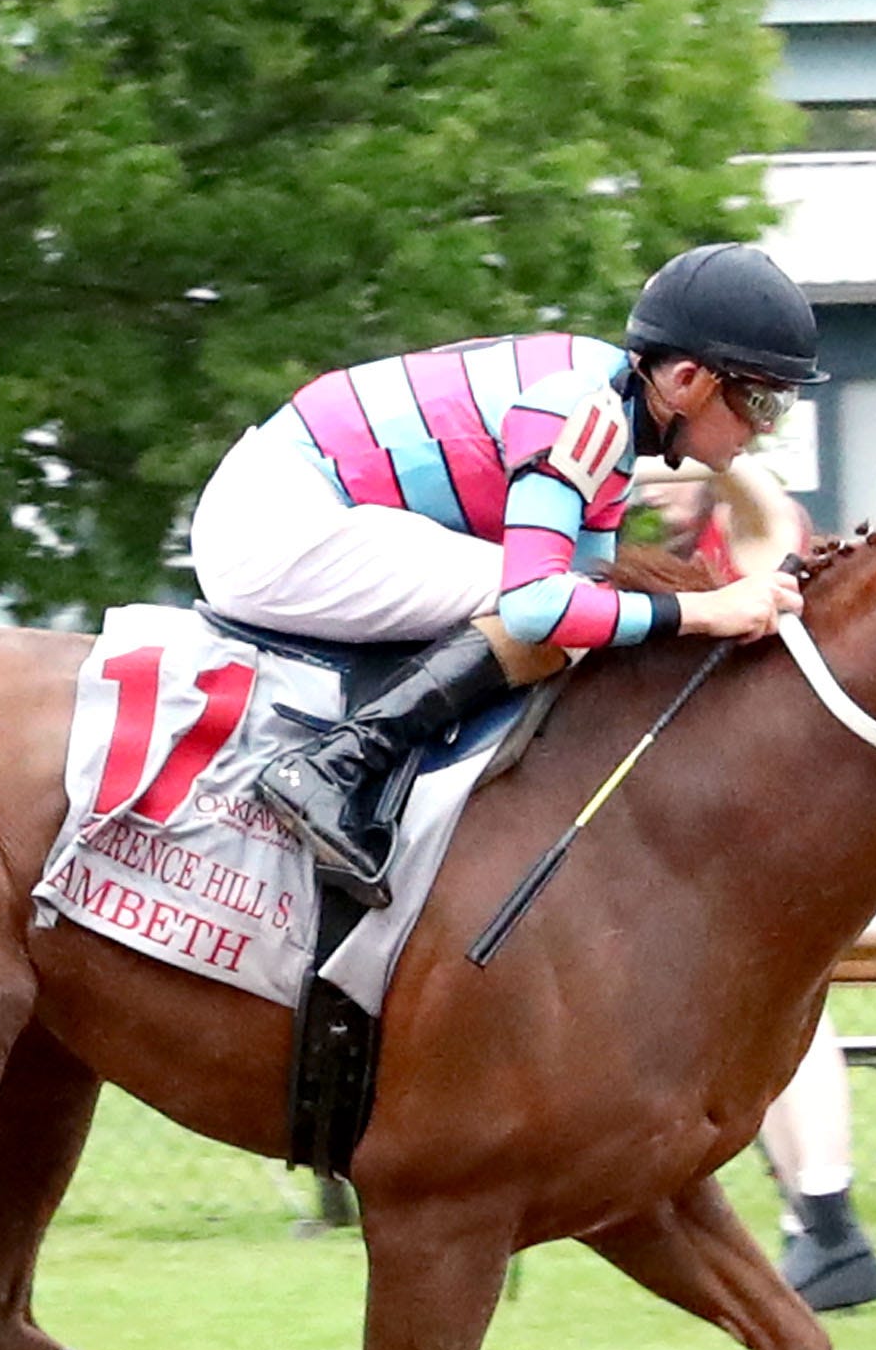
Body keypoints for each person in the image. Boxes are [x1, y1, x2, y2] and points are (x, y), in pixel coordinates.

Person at [188, 243, 820, 903]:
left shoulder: (612, 414)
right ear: (688, 380)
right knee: (551, 608)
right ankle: (331, 767)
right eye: (762, 402)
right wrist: (707, 611)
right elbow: (536, 608)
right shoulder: (586, 417)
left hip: (298, 499)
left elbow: (593, 596)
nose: (765, 429)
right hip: (275, 521)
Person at [646, 452, 876, 1315]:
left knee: (781, 1011)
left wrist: (710, 445)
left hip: (777, 806)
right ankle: (817, 1223)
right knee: (752, 1016)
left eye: (664, 471)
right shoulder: (681, 549)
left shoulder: (745, 531)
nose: (652, 486)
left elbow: (764, 512)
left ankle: (827, 1220)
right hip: (744, 810)